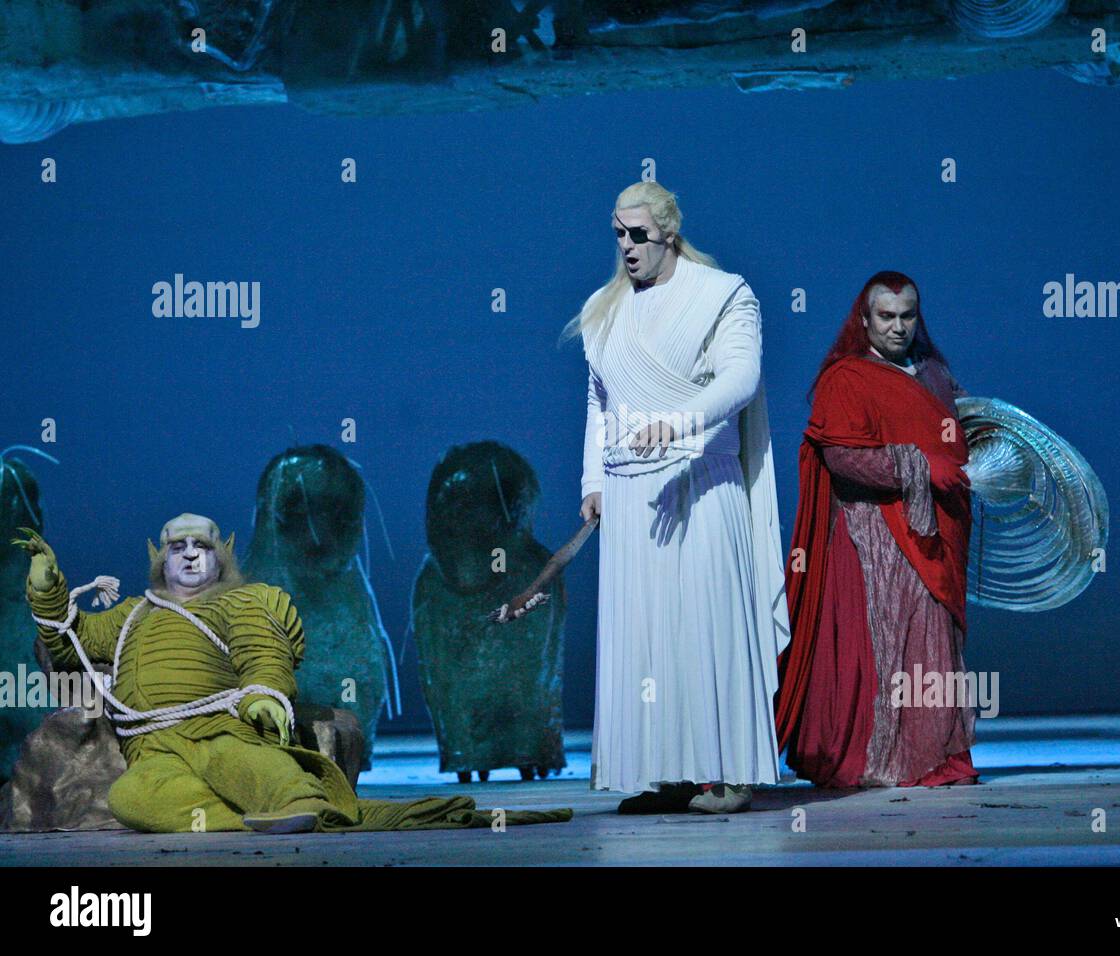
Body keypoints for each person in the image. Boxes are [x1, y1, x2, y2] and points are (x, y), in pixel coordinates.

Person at [13, 514, 572, 833]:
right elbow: (72, 646)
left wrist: (261, 695)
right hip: (153, 747)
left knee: (253, 765)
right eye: (177, 547)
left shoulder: (245, 600)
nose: (188, 556)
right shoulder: (130, 614)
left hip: (220, 728)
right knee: (136, 797)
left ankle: (296, 804)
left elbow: (264, 649)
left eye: (200, 547)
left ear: (220, 555)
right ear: (159, 557)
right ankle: (241, 822)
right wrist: (48, 592)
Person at [566, 181, 788, 814]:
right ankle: (664, 772)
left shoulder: (723, 295)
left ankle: (726, 771)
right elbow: (599, 403)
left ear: (668, 232)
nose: (627, 247)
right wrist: (593, 482)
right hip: (632, 495)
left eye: (638, 234)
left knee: (702, 625)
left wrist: (680, 421)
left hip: (699, 487)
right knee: (646, 637)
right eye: (618, 233)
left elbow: (740, 377)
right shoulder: (601, 309)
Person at [775, 271, 979, 788]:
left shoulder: (935, 374)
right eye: (885, 317)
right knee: (877, 645)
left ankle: (934, 758)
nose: (898, 327)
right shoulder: (845, 377)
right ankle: (868, 759)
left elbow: (961, 436)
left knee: (932, 641)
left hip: (932, 534)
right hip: (870, 534)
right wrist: (919, 466)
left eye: (907, 316)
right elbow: (841, 458)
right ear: (864, 319)